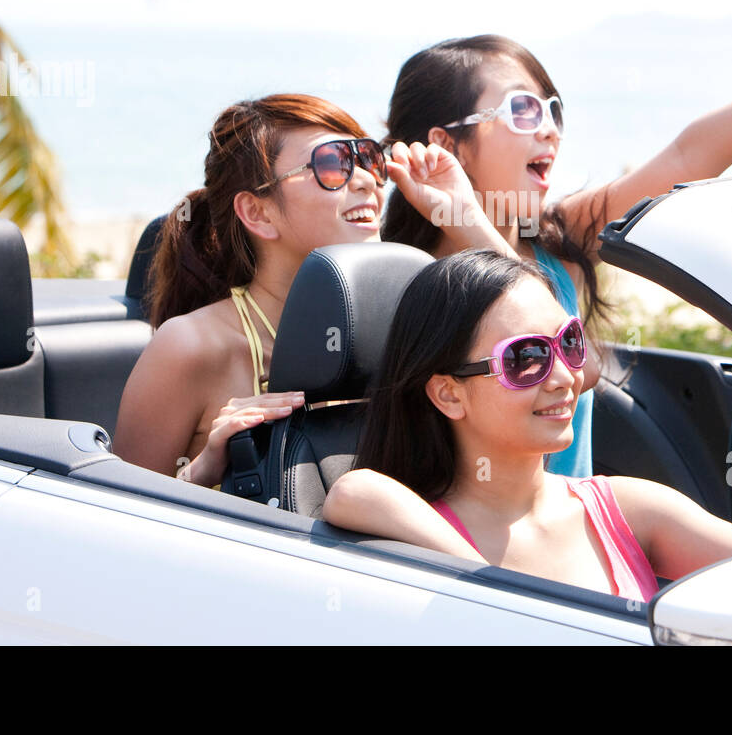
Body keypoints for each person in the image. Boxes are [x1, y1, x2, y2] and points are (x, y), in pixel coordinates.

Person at [380, 16, 732, 476]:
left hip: (572, 535)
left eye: (554, 110)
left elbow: (685, 159)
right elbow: (579, 365)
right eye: (523, 111)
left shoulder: (558, 239)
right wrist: (471, 223)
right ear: (446, 143)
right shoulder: (408, 282)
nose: (550, 129)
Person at [323, 250, 732, 602]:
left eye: (570, 342)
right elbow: (354, 492)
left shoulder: (625, 509)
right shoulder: (409, 518)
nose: (566, 377)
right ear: (448, 394)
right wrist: (490, 584)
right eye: (527, 358)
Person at [113, 94, 513, 487]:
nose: (365, 180)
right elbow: (121, 519)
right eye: (332, 164)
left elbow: (563, 356)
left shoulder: (405, 316)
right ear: (258, 212)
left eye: (368, 157)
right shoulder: (191, 346)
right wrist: (202, 471)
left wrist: (463, 215)